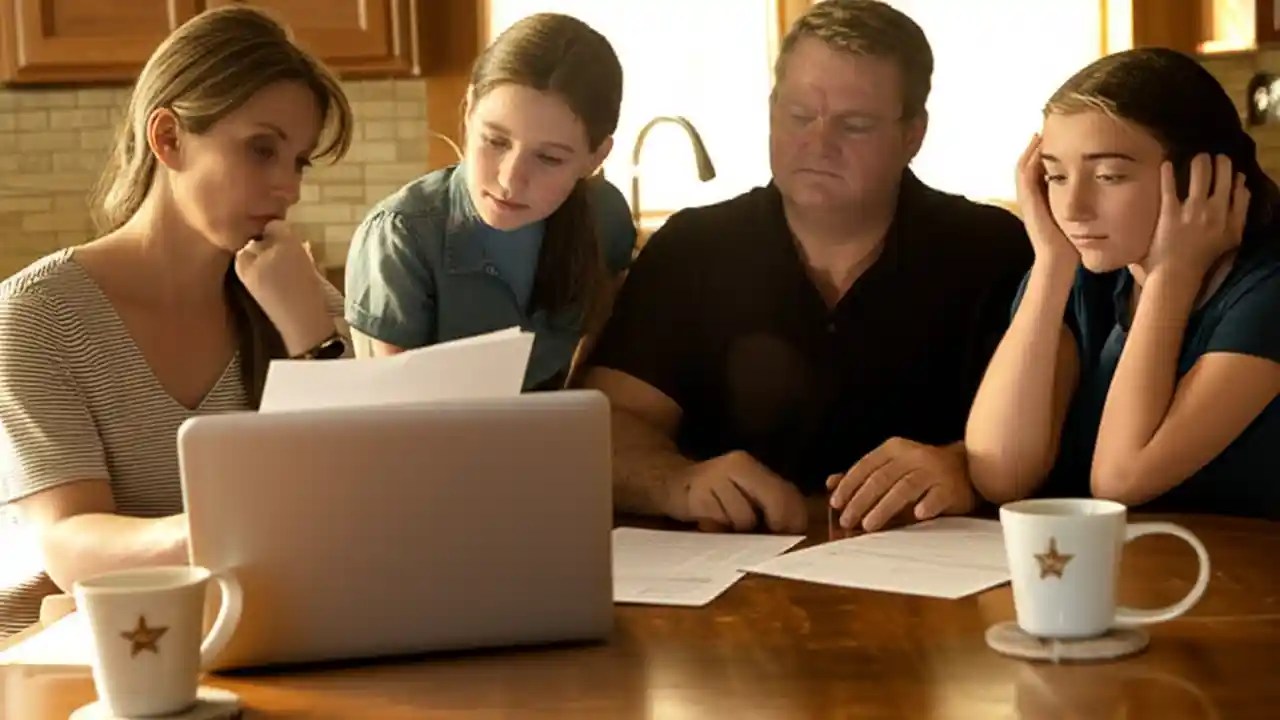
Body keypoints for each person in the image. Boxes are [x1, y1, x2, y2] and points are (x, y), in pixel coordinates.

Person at [581, 0, 1031, 534]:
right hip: (729, 589)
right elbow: (606, 423)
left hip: (939, 582)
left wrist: (969, 466)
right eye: (798, 116)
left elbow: (1066, 428)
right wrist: (675, 481)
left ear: (913, 134)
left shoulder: (993, 250)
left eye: (855, 125)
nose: (818, 144)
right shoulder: (692, 249)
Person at [0, 6, 354, 638]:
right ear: (168, 139)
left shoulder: (302, 300)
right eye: (261, 149)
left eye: (297, 161)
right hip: (91, 654)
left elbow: (363, 497)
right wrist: (242, 531)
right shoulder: (36, 316)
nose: (288, 188)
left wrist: (313, 338)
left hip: (265, 637)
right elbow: (69, 541)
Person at [966, 48, 1280, 519]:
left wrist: (1171, 276)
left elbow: (1121, 478)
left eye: (1109, 176)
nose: (1072, 208)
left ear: (1204, 175)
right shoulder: (1081, 275)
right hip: (1117, 575)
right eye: (1054, 175)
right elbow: (1002, 474)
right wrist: (1051, 264)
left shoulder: (1267, 287)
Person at [344, 13, 636, 391]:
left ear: (596, 157)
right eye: (495, 141)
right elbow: (396, 413)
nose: (509, 180)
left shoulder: (604, 215)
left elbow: (597, 349)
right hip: (437, 440)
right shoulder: (401, 236)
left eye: (549, 158)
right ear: (468, 112)